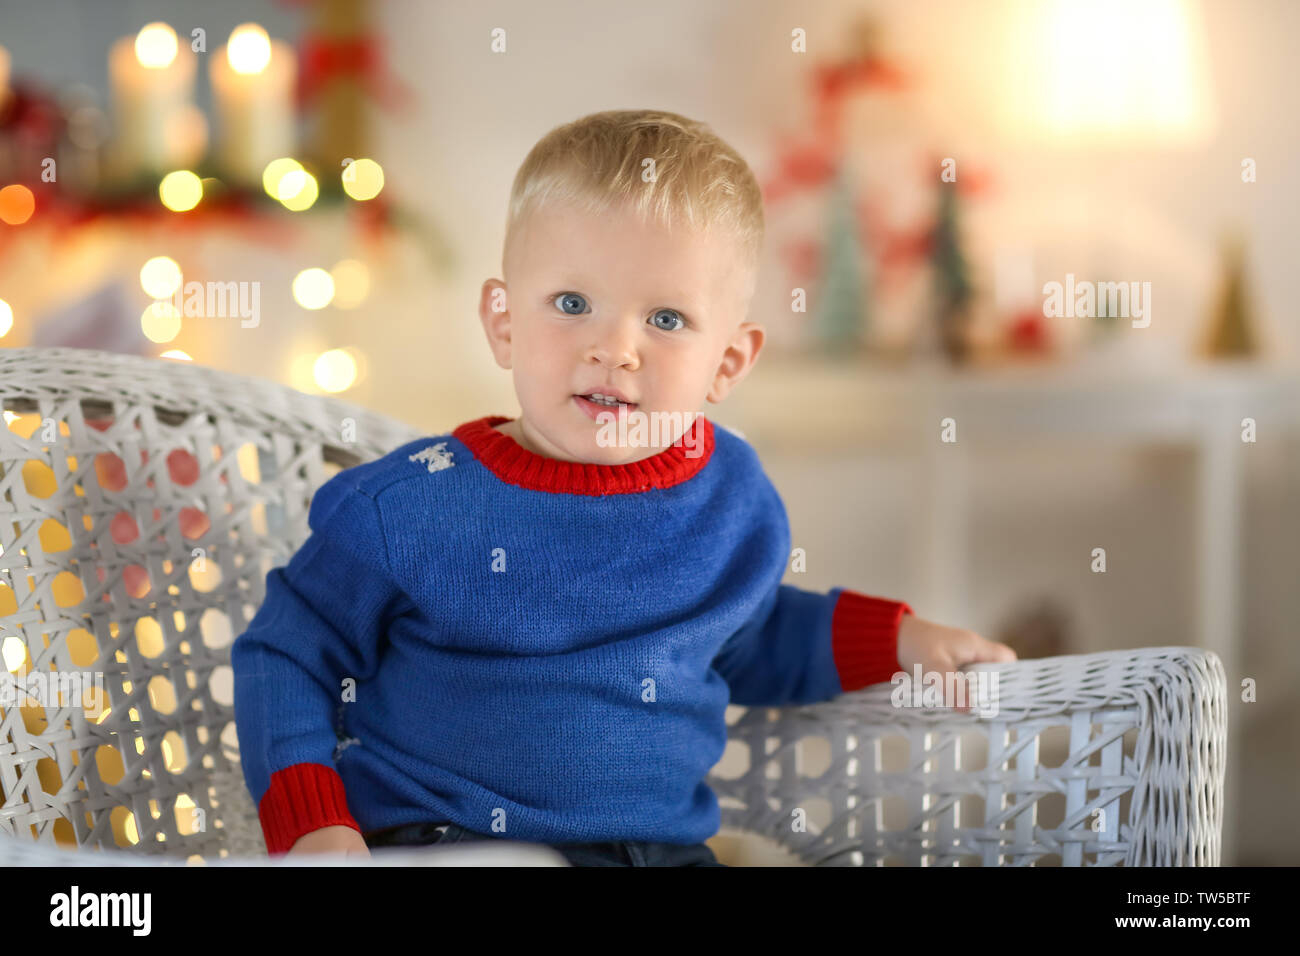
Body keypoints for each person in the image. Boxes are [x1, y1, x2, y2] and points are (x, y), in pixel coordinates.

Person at [231, 109, 1016, 867]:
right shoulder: (408, 509)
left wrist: (898, 638)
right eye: (572, 304)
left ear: (729, 363)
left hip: (662, 855)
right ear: (503, 322)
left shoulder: (728, 500)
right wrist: (313, 823)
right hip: (457, 843)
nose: (614, 349)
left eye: (667, 319)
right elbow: (285, 652)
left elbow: (754, 635)